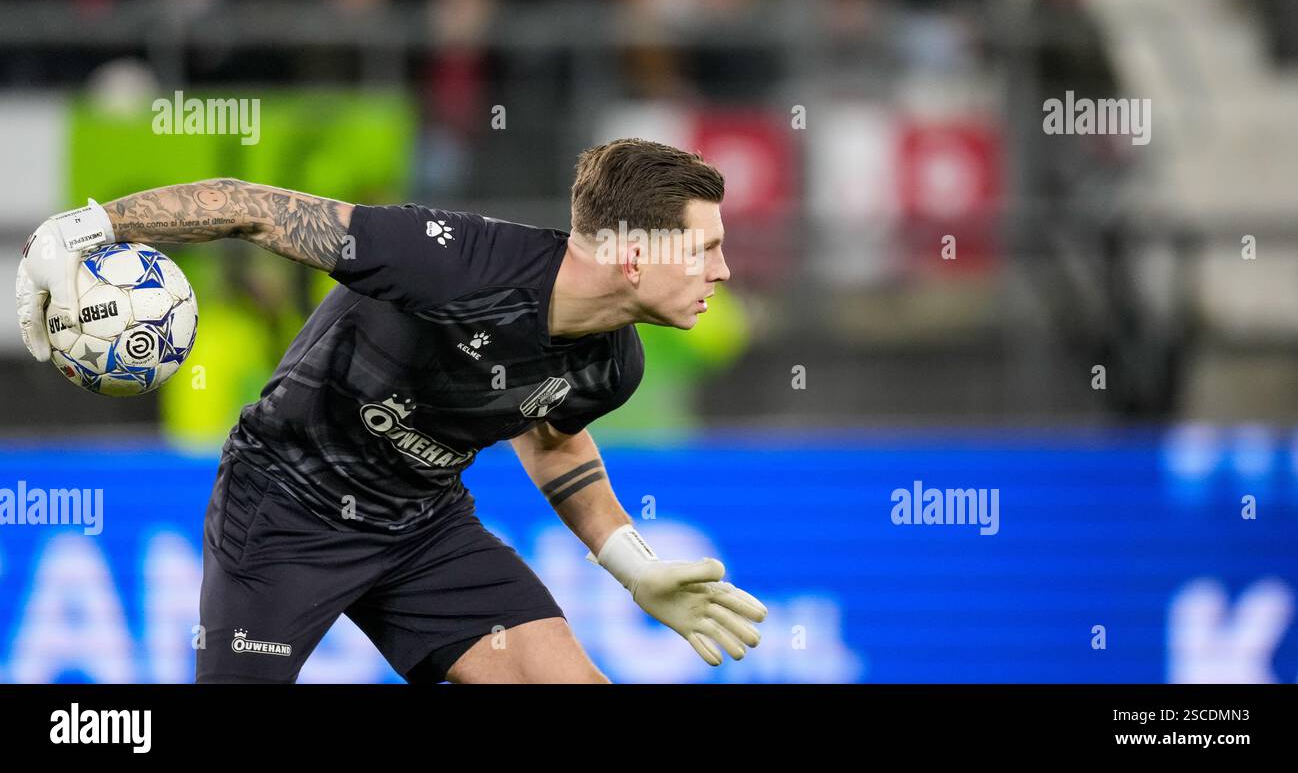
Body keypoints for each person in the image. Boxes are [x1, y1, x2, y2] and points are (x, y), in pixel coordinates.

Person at [15, 137, 766, 683]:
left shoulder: (614, 363)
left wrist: (633, 567)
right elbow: (250, 209)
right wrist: (84, 229)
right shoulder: (451, 260)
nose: (723, 271)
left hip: (422, 528)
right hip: (286, 510)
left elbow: (552, 435)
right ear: (635, 257)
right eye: (705, 250)